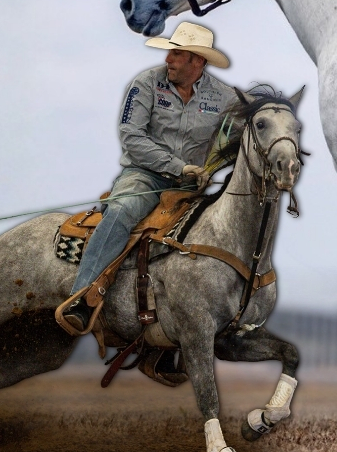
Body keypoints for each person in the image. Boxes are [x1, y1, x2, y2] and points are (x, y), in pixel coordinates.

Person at [60, 22, 237, 334]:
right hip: (145, 176)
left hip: (192, 188)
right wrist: (179, 167)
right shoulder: (146, 84)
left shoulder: (224, 97)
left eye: (176, 53)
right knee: (121, 211)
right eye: (169, 52)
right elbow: (132, 137)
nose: (168, 59)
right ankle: (81, 298)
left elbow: (247, 128)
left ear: (198, 61)